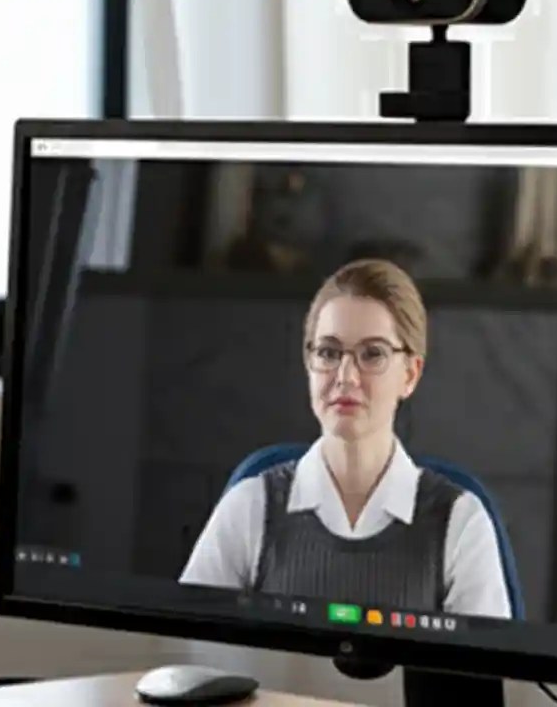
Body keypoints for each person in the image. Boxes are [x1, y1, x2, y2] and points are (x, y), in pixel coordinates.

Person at [179, 258, 512, 619]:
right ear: (309, 364)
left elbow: (486, 675)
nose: (346, 375)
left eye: (373, 354)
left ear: (410, 374)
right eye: (328, 352)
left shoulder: (461, 522)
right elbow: (189, 657)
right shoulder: (250, 506)